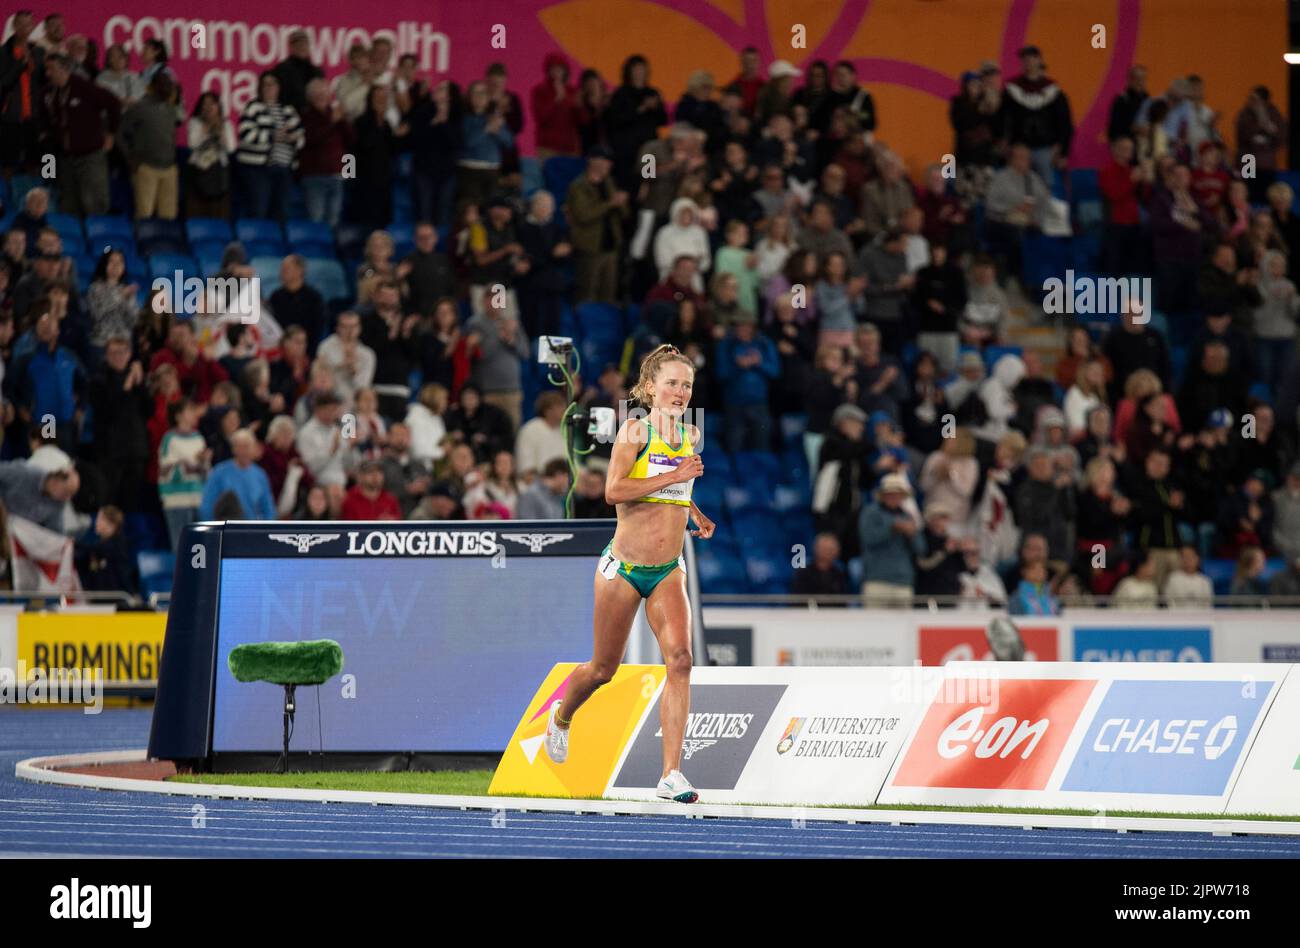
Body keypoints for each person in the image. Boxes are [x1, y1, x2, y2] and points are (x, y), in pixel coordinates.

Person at [544, 344, 715, 807]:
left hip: (667, 570)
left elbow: (676, 488)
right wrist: (673, 475)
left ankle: (671, 774)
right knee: (603, 669)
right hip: (623, 569)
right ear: (650, 387)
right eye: (672, 384)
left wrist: (695, 512)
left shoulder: (690, 434)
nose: (680, 392)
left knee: (680, 660)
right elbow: (615, 492)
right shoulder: (634, 431)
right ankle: (561, 716)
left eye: (687, 385)